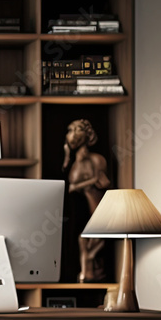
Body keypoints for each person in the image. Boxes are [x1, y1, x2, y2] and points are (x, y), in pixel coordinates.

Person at [63, 119, 111, 283]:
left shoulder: (96, 160)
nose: (71, 135)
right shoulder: (74, 161)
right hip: (80, 209)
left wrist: (77, 186)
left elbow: (103, 182)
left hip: (95, 208)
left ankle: (91, 273)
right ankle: (86, 273)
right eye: (70, 131)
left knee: (93, 243)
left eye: (75, 131)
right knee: (82, 240)